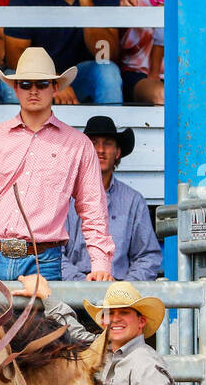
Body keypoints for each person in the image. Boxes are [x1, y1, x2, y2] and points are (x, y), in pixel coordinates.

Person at [0, 46, 112, 283]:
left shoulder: (78, 145)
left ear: (55, 87)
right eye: (26, 84)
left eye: (42, 84)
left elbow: (93, 209)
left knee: (42, 321)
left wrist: (100, 264)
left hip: (43, 259)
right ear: (15, 89)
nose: (34, 91)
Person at [61, 116, 159, 281]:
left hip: (120, 293)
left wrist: (124, 289)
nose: (100, 150)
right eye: (93, 143)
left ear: (118, 152)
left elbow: (148, 256)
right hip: (72, 291)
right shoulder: (64, 198)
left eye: (107, 143)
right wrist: (79, 283)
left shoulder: (133, 201)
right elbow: (54, 254)